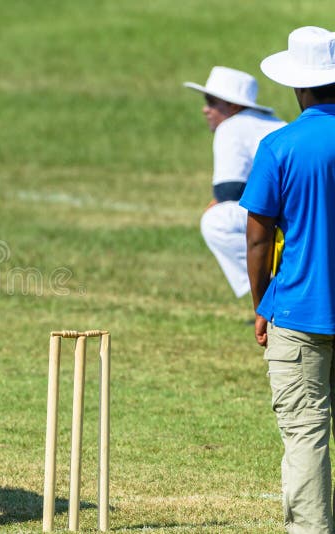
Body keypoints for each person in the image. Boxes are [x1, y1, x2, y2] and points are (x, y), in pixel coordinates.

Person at [240, 26, 335, 533]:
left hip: (298, 312)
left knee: (305, 436)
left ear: (299, 87)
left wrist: (261, 302)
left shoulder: (280, 145)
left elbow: (257, 238)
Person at [184, 66, 286, 298]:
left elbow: (229, 189)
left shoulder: (232, 126)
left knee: (217, 219)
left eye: (211, 101)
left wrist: (218, 201)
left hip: (289, 216)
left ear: (234, 106)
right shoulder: (272, 122)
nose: (205, 109)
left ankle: (270, 290)